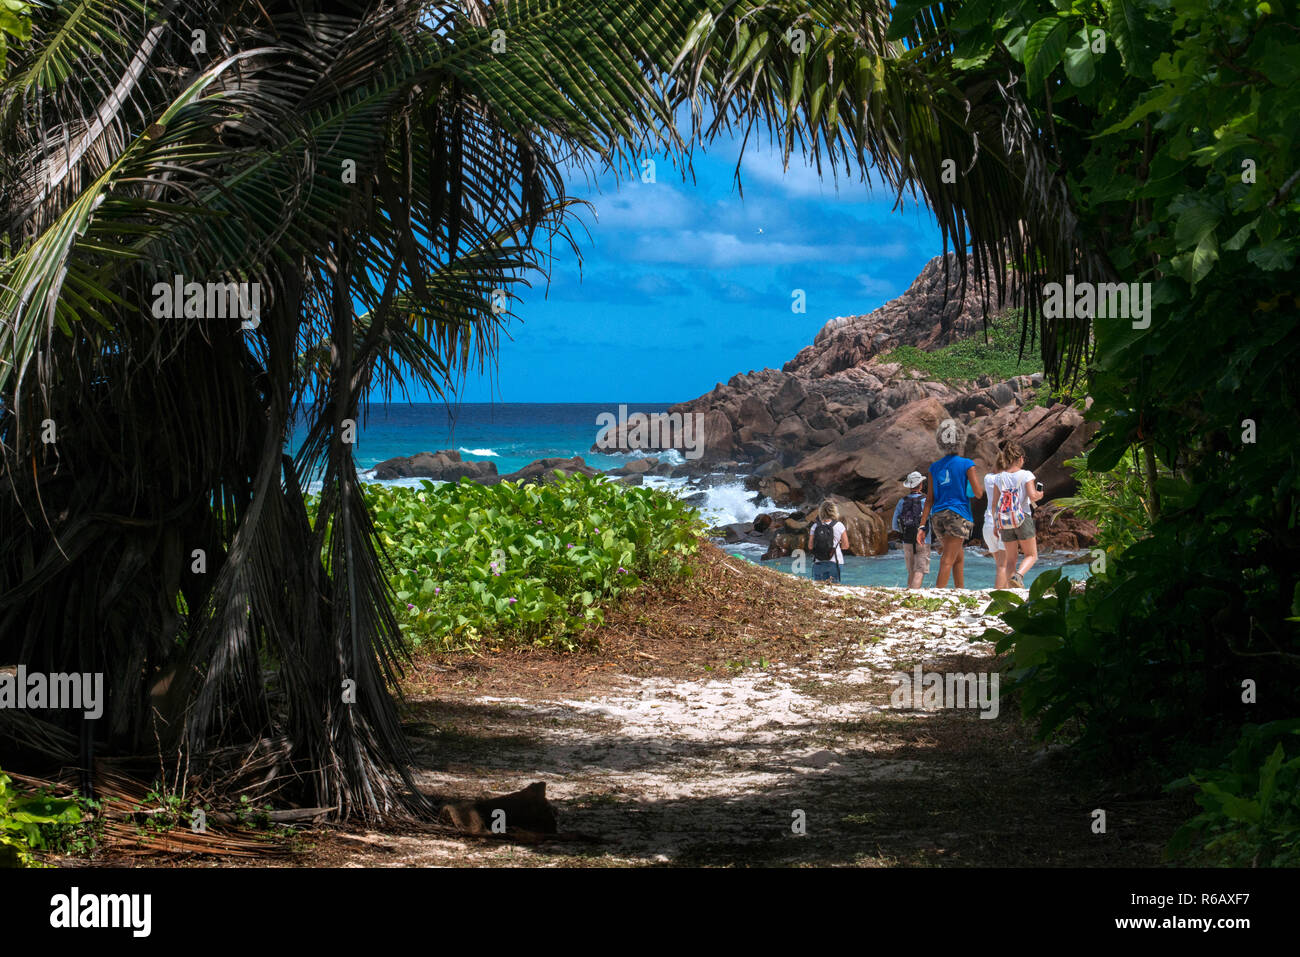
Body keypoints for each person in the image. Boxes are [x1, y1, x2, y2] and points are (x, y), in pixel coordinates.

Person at [917, 419, 983, 588]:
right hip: (957, 514)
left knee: (957, 556)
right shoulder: (967, 464)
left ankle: (960, 590)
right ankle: (937, 594)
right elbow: (978, 493)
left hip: (938, 517)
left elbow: (929, 499)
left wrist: (922, 526)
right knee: (947, 560)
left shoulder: (934, 468)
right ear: (961, 441)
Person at [990, 440, 1044, 588]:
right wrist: (1040, 494)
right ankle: (1019, 576)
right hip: (1022, 517)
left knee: (1010, 560)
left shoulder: (999, 477)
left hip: (1005, 520)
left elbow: (994, 504)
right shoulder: (1026, 475)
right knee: (1031, 555)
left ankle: (1012, 591)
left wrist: (996, 524)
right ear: (1020, 458)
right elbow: (1032, 496)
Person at [892, 471, 931, 588]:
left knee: (911, 571)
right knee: (920, 571)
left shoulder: (902, 501)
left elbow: (894, 524)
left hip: (907, 539)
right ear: (921, 485)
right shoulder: (926, 500)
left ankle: (909, 592)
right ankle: (913, 594)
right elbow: (932, 517)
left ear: (909, 486)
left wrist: (903, 532)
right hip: (923, 539)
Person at [807, 500, 851, 584]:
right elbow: (846, 546)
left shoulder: (815, 526)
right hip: (835, 562)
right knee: (834, 588)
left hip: (818, 562)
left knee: (819, 588)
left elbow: (810, 546)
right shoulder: (839, 525)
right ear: (834, 511)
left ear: (821, 512)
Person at [982, 450, 1007, 588]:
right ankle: (998, 594)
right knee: (1004, 567)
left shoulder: (988, 478)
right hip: (1003, 523)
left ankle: (1007, 591)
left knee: (1001, 566)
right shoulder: (1009, 479)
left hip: (988, 525)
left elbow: (993, 471)